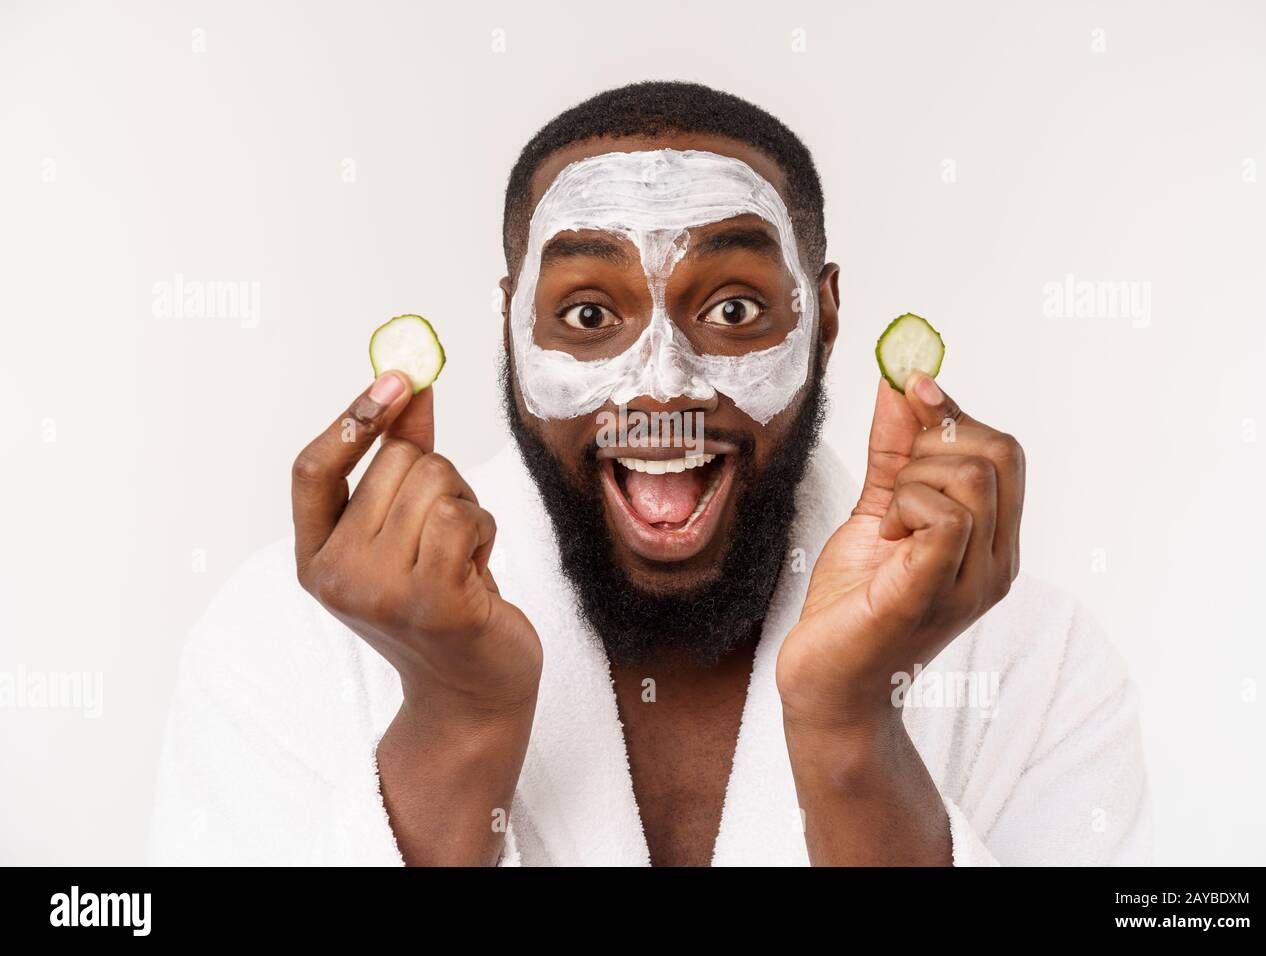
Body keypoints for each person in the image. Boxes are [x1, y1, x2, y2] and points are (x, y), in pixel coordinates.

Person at [150, 81, 1150, 866]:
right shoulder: (279, 643)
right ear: (511, 321)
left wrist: (851, 733)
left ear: (825, 316)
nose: (659, 384)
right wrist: (459, 718)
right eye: (588, 314)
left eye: (732, 311)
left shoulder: (1033, 659)